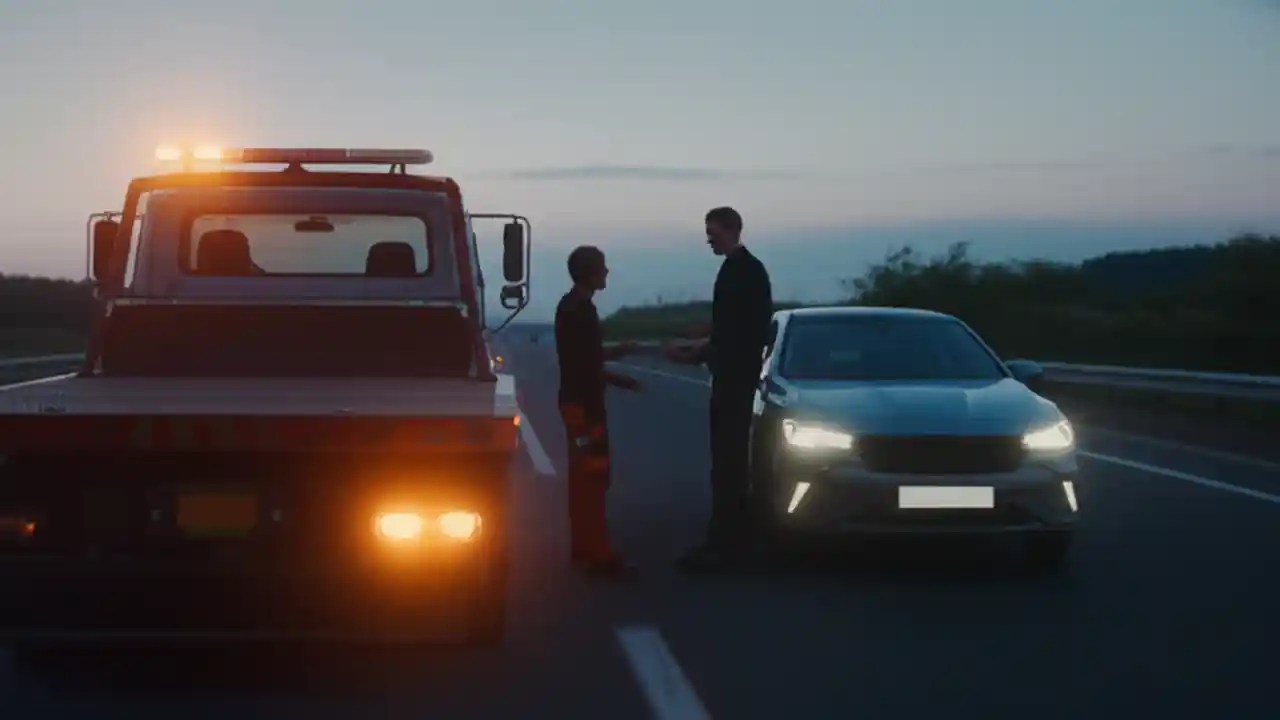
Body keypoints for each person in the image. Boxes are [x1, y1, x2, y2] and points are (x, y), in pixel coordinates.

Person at [666, 206, 772, 572]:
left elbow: (744, 332)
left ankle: (726, 544)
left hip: (736, 378)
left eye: (713, 231)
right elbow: (729, 325)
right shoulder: (738, 270)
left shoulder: (745, 272)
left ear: (732, 230)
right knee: (727, 461)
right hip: (730, 374)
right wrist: (700, 343)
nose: (708, 238)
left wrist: (698, 353)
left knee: (729, 463)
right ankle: (731, 539)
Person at [555, 245, 644, 577]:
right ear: (591, 273)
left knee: (581, 477)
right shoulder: (582, 311)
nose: (607, 273)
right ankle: (600, 555)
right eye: (603, 268)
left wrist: (619, 352)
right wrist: (623, 380)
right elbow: (587, 366)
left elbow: (585, 356)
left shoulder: (569, 307)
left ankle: (582, 545)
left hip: (573, 406)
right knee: (593, 476)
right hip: (584, 410)